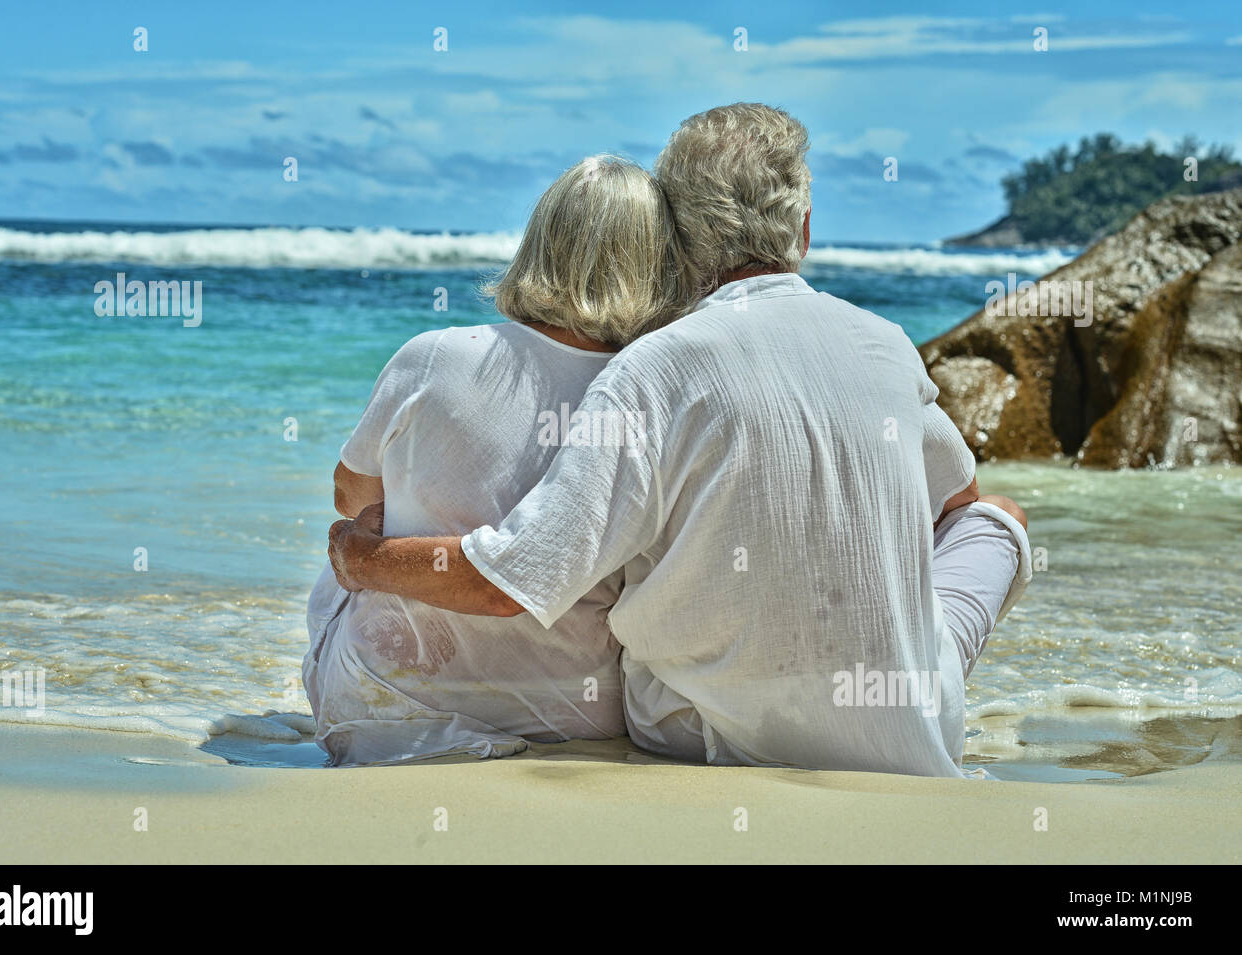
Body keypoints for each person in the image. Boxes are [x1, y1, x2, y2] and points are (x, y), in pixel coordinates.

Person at [328, 103, 1033, 777]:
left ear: (678, 240)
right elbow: (957, 501)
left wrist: (365, 561)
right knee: (996, 518)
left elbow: (515, 579)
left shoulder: (655, 367)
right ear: (806, 229)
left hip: (705, 733)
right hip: (912, 724)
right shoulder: (886, 343)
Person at [304, 155, 694, 765]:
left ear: (538, 244)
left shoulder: (436, 355)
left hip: (398, 701)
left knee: (348, 546)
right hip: (580, 713)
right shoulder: (655, 390)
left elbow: (351, 496)